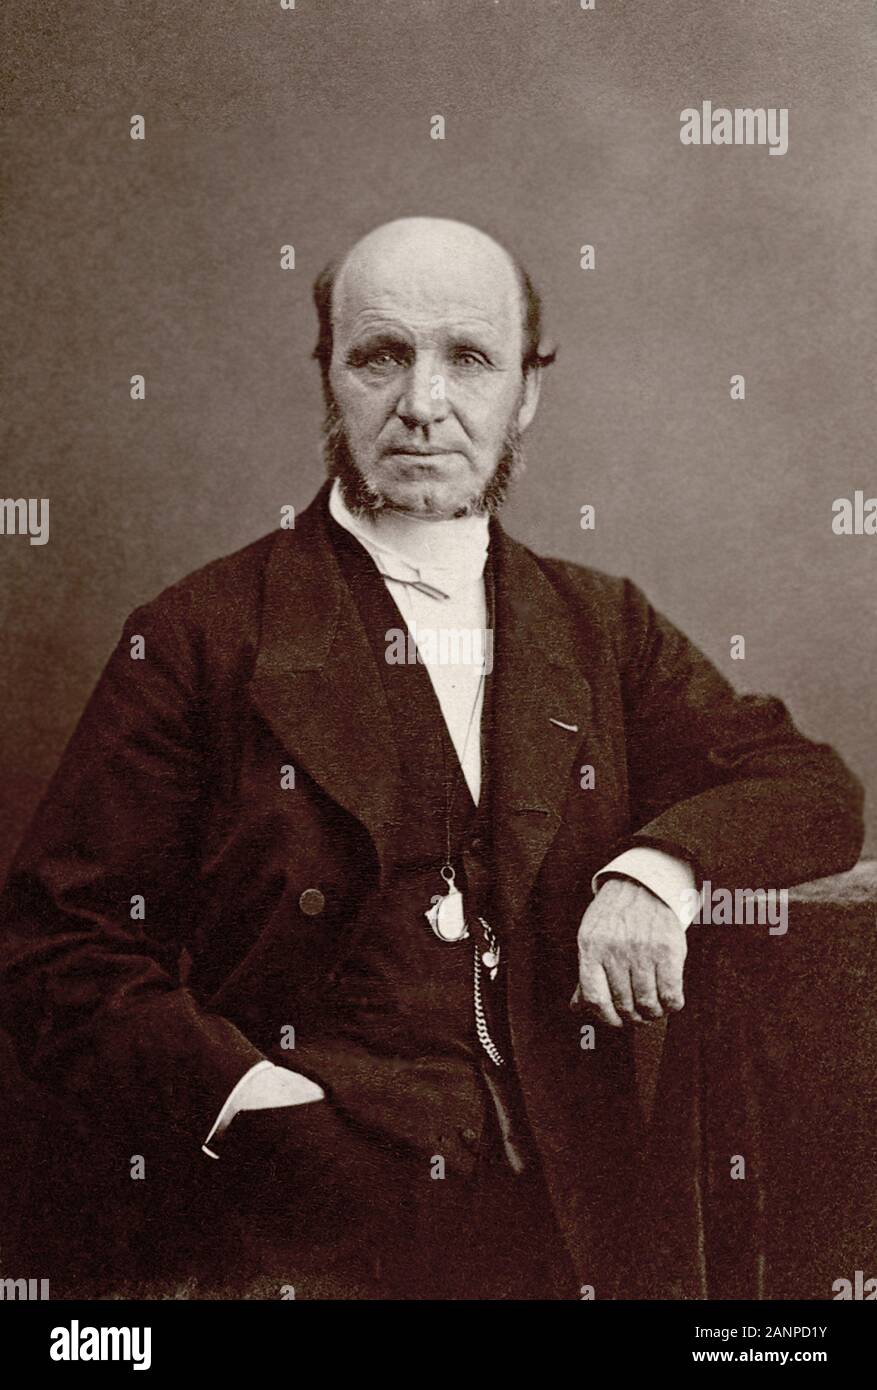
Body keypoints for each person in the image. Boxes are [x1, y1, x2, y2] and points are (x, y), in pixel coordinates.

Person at [0, 217, 863, 1300]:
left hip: (578, 1230)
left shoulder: (599, 626)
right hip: (305, 1230)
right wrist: (250, 1104)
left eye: (469, 358)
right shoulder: (200, 635)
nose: (422, 403)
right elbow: (57, 949)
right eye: (380, 356)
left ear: (526, 393)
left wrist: (658, 871)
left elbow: (813, 790)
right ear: (329, 376)